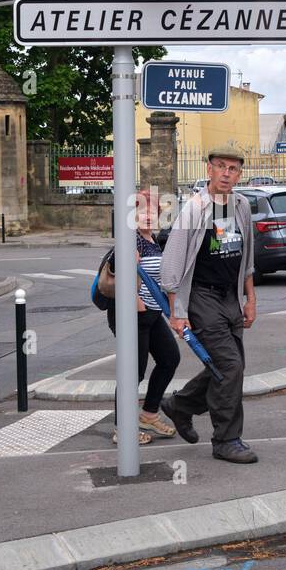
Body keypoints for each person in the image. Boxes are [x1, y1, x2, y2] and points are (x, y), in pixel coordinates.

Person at [159, 145, 257, 464]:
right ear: (209, 169)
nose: (227, 173)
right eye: (221, 166)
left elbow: (247, 257)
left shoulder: (241, 206)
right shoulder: (195, 209)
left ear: (239, 175)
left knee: (229, 367)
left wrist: (250, 299)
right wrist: (177, 313)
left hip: (231, 297)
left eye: (233, 168)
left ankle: (180, 406)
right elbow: (172, 264)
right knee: (230, 366)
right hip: (202, 297)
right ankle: (226, 440)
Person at [107, 187, 180, 446]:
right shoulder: (132, 240)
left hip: (152, 314)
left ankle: (148, 415)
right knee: (132, 373)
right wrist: (137, 306)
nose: (148, 216)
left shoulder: (152, 239)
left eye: (153, 211)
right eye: (142, 211)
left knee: (169, 359)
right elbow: (123, 278)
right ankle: (122, 428)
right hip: (133, 316)